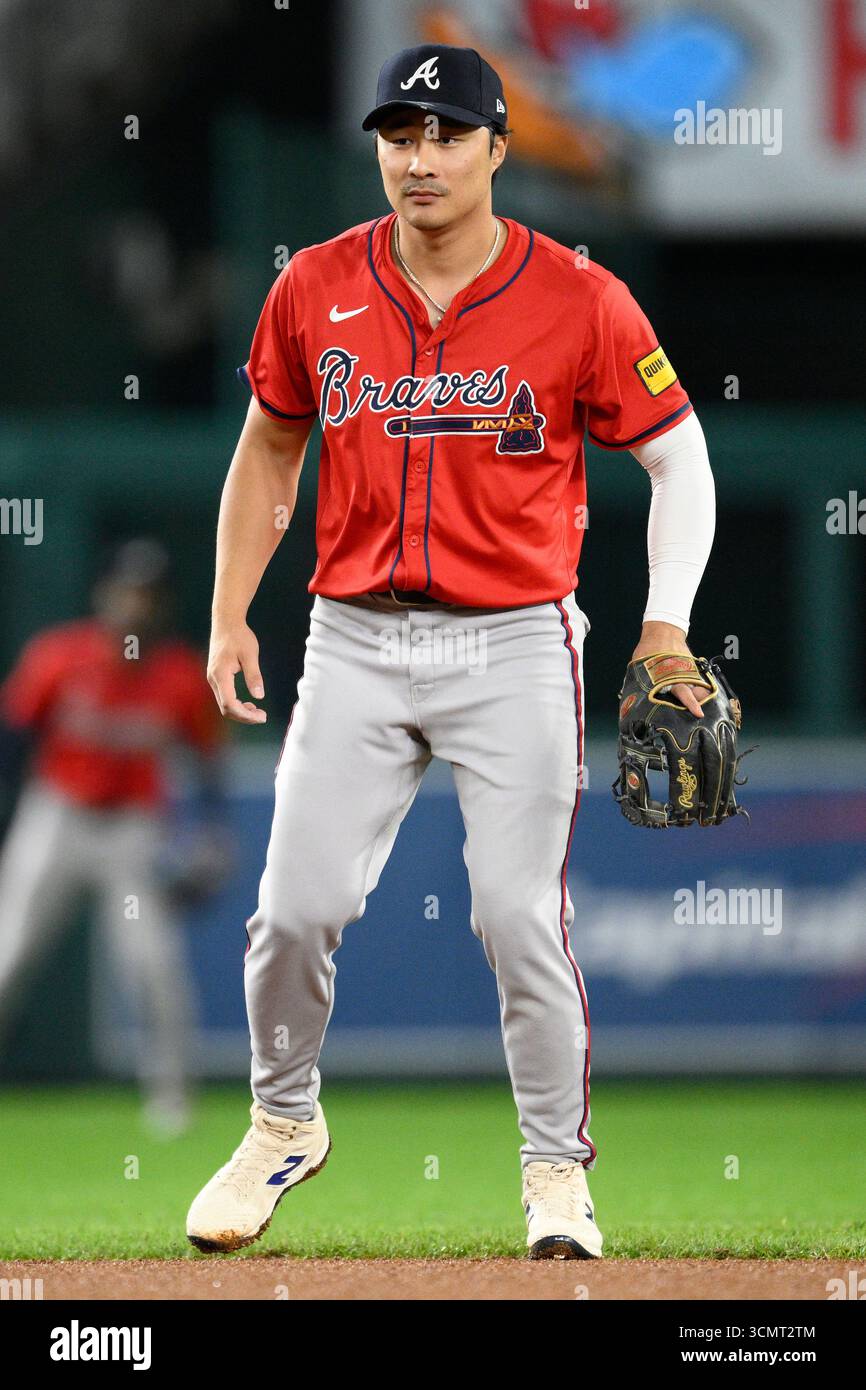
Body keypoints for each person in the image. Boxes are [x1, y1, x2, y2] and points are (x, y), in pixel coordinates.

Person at [186, 43, 715, 1258]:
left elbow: (676, 455)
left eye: (441, 134)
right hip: (356, 638)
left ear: (494, 148)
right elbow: (269, 448)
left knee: (517, 918)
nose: (415, 157)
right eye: (396, 133)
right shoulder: (313, 284)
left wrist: (665, 622)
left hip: (514, 642)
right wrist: (227, 613)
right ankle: (280, 1125)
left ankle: (552, 1176)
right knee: (291, 911)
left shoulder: (578, 296)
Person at [0, 538, 229, 1135]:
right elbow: (13, 738)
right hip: (57, 818)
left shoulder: (181, 676)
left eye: (149, 595)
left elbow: (207, 766)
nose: (136, 605)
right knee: (7, 958)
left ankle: (172, 1102)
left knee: (153, 967)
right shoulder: (58, 656)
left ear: (165, 605)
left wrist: (210, 836)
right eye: (128, 590)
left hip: (130, 833)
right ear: (104, 594)